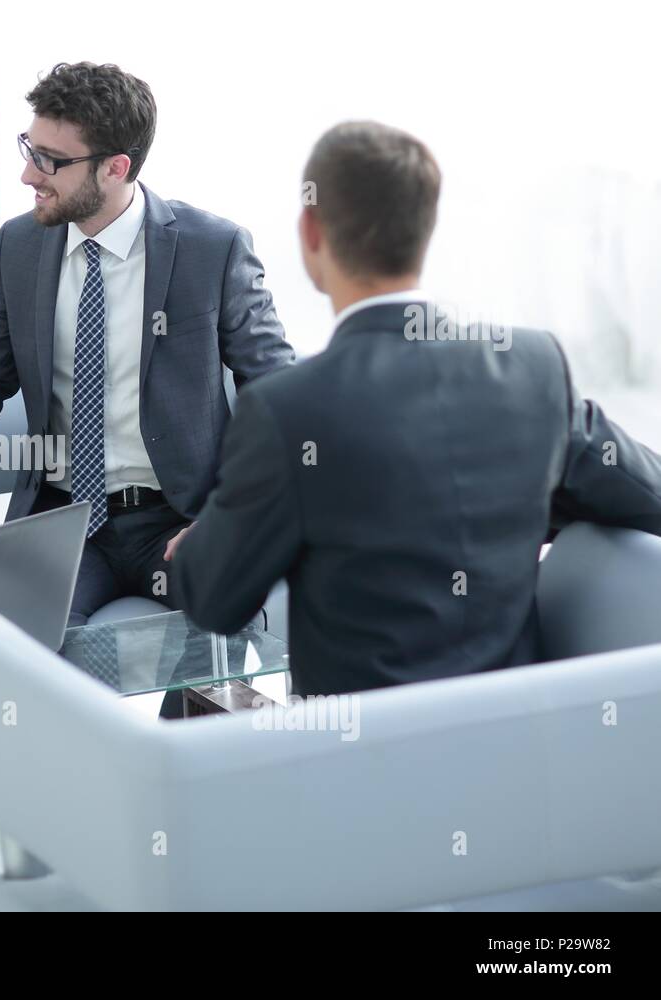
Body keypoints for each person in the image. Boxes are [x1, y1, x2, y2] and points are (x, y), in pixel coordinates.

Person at [0, 62, 294, 716]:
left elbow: (276, 394)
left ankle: (183, 791)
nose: (29, 174)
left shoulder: (212, 249)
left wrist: (230, 516)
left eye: (51, 161)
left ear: (115, 169)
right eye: (28, 150)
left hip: (179, 520)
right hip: (63, 522)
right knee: (19, 674)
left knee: (215, 680)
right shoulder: (22, 248)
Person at [170, 120, 661, 697]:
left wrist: (194, 552)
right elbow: (647, 493)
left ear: (311, 231)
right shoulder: (533, 369)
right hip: (519, 747)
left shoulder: (288, 410)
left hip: (356, 759)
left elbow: (215, 602)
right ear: (426, 228)